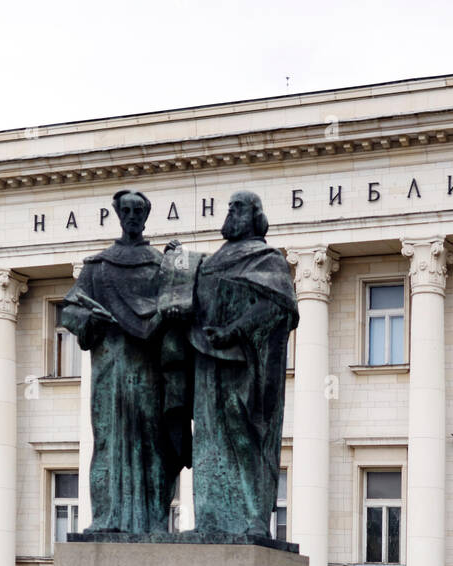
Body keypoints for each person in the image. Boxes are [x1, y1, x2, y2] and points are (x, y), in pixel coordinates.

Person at [61, 189, 190, 534]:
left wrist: (178, 265)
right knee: (108, 440)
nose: (132, 216)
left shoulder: (158, 263)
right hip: (110, 367)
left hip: (149, 366)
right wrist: (90, 321)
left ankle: (152, 522)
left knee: (154, 443)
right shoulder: (98, 266)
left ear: (146, 216)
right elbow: (71, 309)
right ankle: (107, 518)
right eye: (127, 210)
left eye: (138, 211)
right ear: (118, 214)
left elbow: (177, 305)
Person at [187, 191, 299, 542]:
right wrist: (177, 264)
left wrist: (233, 331)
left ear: (255, 216)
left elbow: (277, 308)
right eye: (229, 206)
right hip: (209, 364)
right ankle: (209, 519)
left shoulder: (268, 259)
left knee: (245, 438)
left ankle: (253, 518)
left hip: (246, 366)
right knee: (207, 440)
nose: (231, 212)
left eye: (238, 207)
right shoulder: (212, 261)